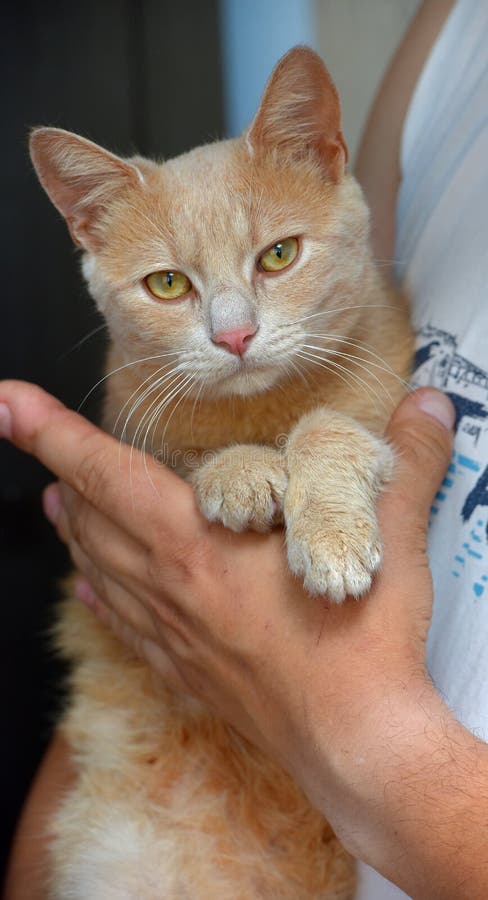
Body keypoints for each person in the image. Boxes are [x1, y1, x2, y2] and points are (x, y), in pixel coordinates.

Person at [3, 0, 488, 897]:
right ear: (90, 239)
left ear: (322, 161)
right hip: (165, 792)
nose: (233, 331)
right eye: (168, 284)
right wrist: (211, 467)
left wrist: (328, 453)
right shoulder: (448, 38)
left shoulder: (371, 327)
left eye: (274, 257)